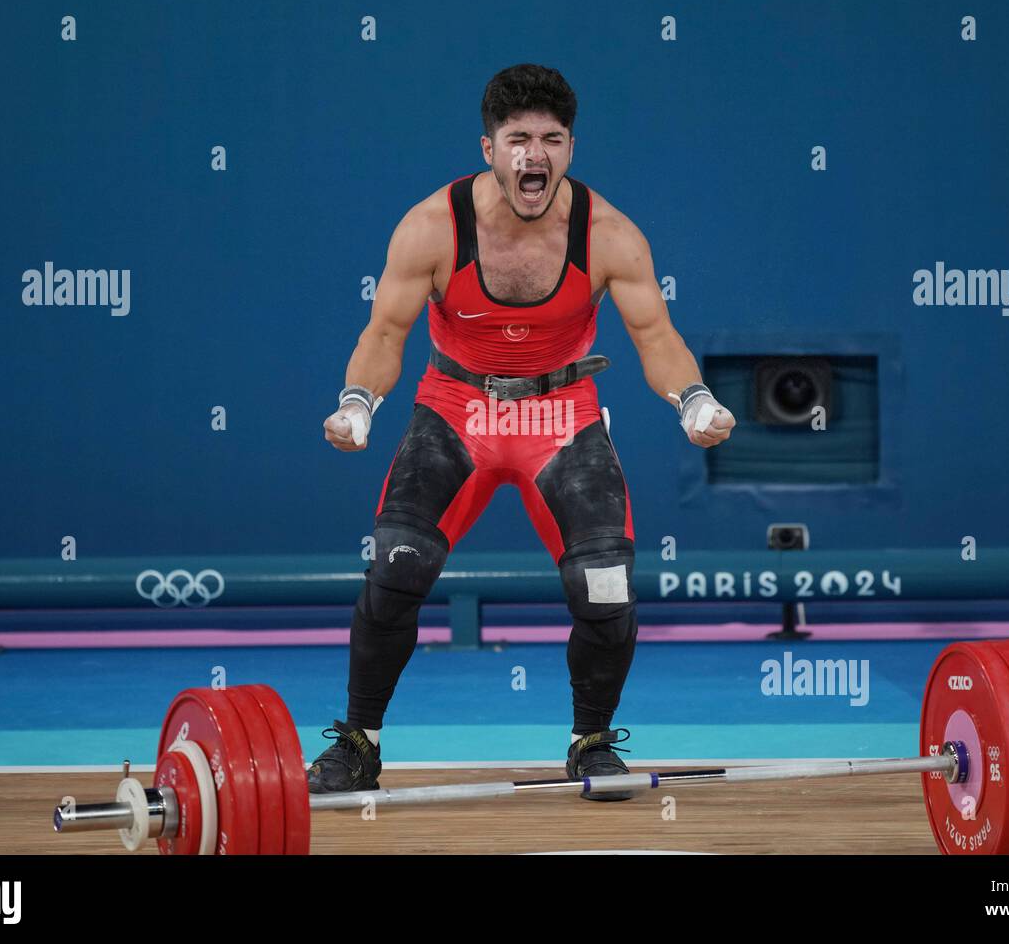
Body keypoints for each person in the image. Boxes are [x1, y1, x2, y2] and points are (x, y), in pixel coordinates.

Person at [310, 64, 735, 799]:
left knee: (605, 587)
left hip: (560, 416)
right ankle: (358, 742)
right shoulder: (431, 227)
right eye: (517, 139)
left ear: (570, 149)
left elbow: (656, 337)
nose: (532, 155)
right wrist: (358, 403)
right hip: (456, 409)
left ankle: (592, 741)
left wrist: (693, 399)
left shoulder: (611, 235)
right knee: (395, 570)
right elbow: (384, 334)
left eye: (550, 139)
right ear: (488, 148)